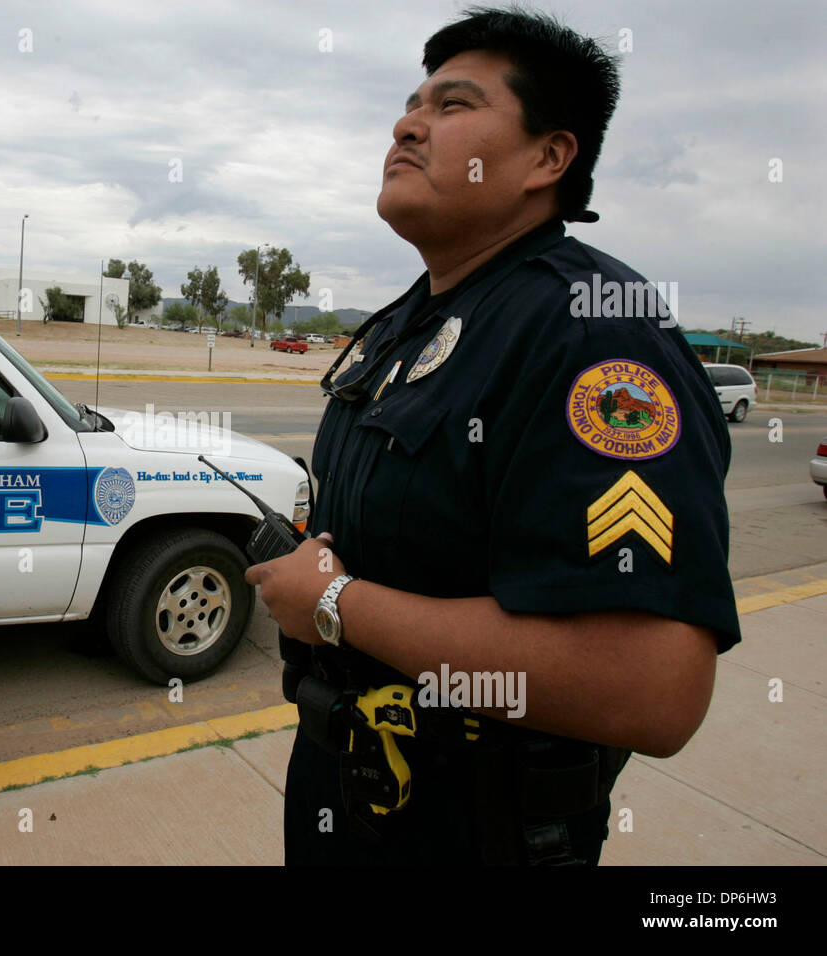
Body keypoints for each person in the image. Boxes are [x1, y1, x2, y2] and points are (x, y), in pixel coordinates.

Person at [246, 6, 741, 865]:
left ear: (549, 158)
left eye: (453, 106)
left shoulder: (592, 332)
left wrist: (335, 605)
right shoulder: (410, 318)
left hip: (474, 833)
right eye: (411, 103)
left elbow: (649, 688)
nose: (407, 124)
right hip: (348, 792)